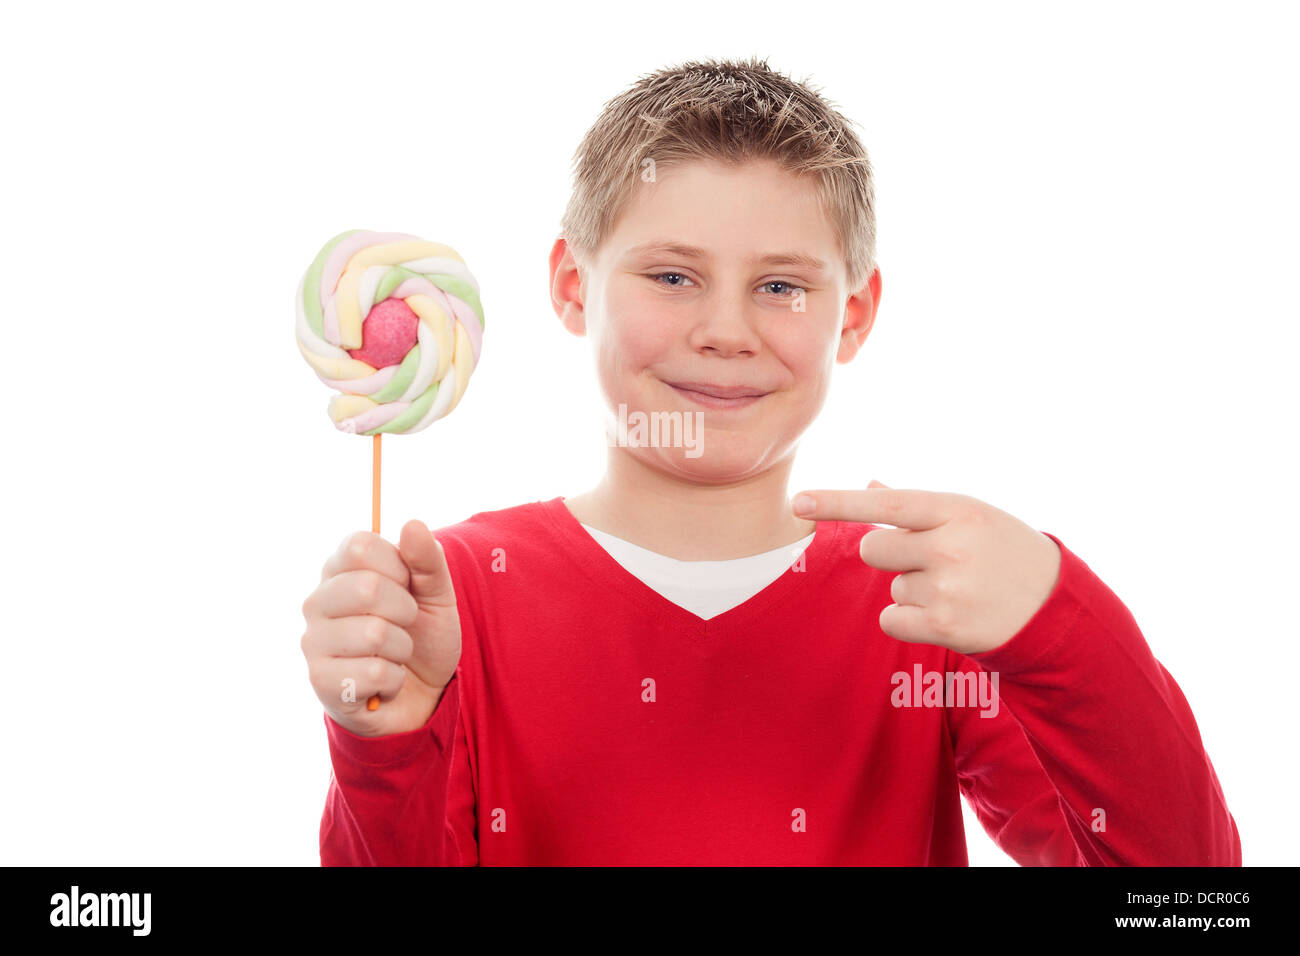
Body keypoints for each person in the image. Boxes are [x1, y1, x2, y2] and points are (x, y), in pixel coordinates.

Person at [300, 56, 1240, 865]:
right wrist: (386, 743)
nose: (724, 331)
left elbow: (1183, 901)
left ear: (856, 315)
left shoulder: (921, 606)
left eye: (781, 286)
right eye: (672, 276)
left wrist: (1053, 615)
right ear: (572, 283)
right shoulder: (448, 598)